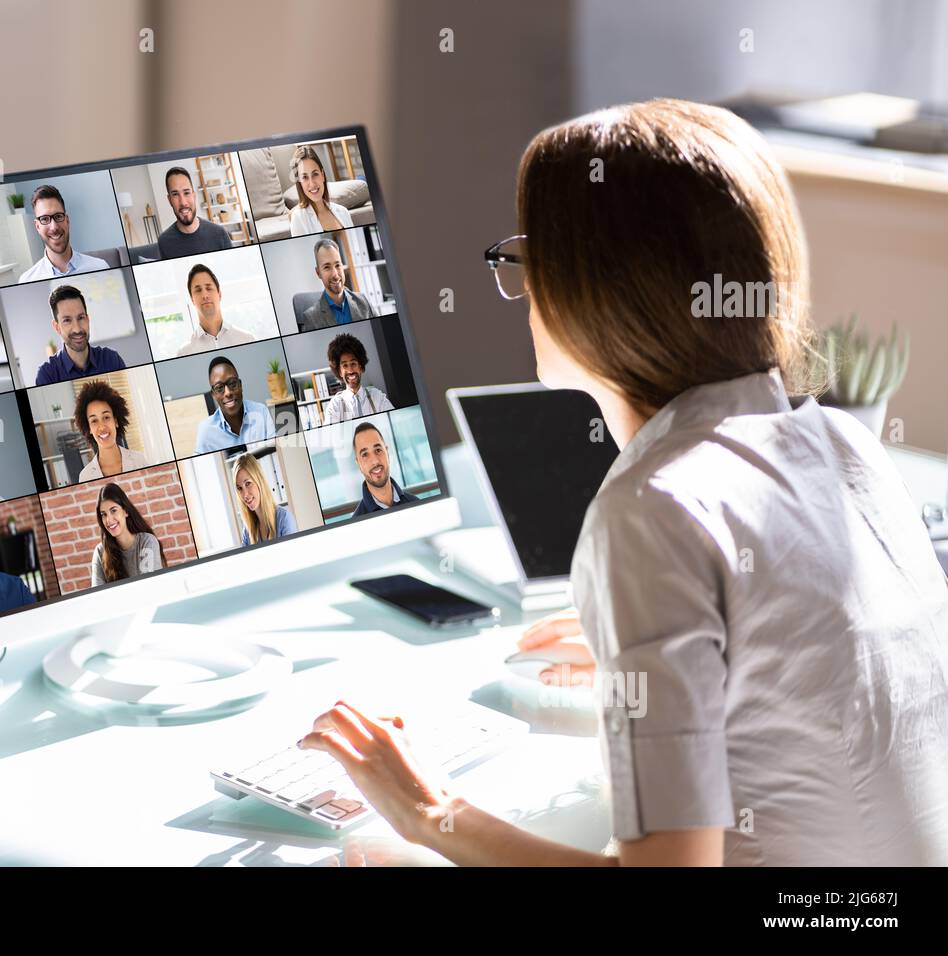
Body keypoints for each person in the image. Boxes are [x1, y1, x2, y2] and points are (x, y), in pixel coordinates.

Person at [298, 99, 948, 867]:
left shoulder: (653, 512)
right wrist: (683, 658)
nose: (524, 285)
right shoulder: (845, 444)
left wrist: (432, 812)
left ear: (600, 288)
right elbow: (817, 685)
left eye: (533, 255)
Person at [34, 284, 126, 385]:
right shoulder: (47, 375)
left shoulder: (111, 359)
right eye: (67, 320)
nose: (77, 329)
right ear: (57, 327)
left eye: (81, 318)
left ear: (88, 319)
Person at [17, 185, 108, 283]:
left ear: (67, 220)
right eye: (44, 219)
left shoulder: (100, 267)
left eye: (58, 216)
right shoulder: (27, 280)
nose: (54, 227)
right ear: (37, 226)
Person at [193, 356, 276, 453]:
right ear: (213, 395)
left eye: (232, 383)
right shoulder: (206, 431)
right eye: (219, 388)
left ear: (240, 385)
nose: (228, 393)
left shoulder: (261, 411)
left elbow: (276, 451)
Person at [89, 483, 166, 585]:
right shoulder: (100, 552)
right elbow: (98, 595)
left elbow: (149, 586)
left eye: (113, 510)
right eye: (104, 514)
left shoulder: (147, 542)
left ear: (125, 511)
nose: (109, 520)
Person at [74, 379, 149, 481]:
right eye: (94, 421)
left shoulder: (139, 460)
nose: (102, 427)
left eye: (106, 417)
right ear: (89, 428)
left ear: (116, 421)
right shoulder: (85, 476)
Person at [176, 264, 256, 356]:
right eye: (198, 290)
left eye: (209, 288)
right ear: (192, 299)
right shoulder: (184, 353)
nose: (205, 295)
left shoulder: (247, 340)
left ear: (219, 294)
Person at [157, 166, 233, 259]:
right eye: (175, 194)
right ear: (169, 200)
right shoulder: (164, 242)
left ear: (194, 195)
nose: (183, 202)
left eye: (186, 193)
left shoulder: (220, 234)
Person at [299, 237, 373, 331]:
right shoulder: (311, 318)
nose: (335, 274)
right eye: (327, 267)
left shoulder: (363, 302)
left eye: (337, 265)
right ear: (318, 273)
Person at [322, 332, 393, 424]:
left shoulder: (377, 397)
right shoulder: (335, 406)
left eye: (353, 364)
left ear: (361, 367)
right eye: (345, 366)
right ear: (339, 372)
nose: (350, 370)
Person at [348, 422, 417, 516]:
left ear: (387, 453)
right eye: (365, 454)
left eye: (378, 450)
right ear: (358, 464)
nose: (375, 461)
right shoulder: (356, 524)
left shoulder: (415, 504)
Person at [288, 145, 354, 237]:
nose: (312, 184)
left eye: (315, 174)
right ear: (299, 182)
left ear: (322, 175)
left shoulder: (343, 212)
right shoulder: (298, 218)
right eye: (305, 177)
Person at [233, 453, 297, 546]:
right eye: (239, 488)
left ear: (260, 481)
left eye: (248, 484)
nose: (245, 495)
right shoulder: (248, 530)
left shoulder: (284, 519)